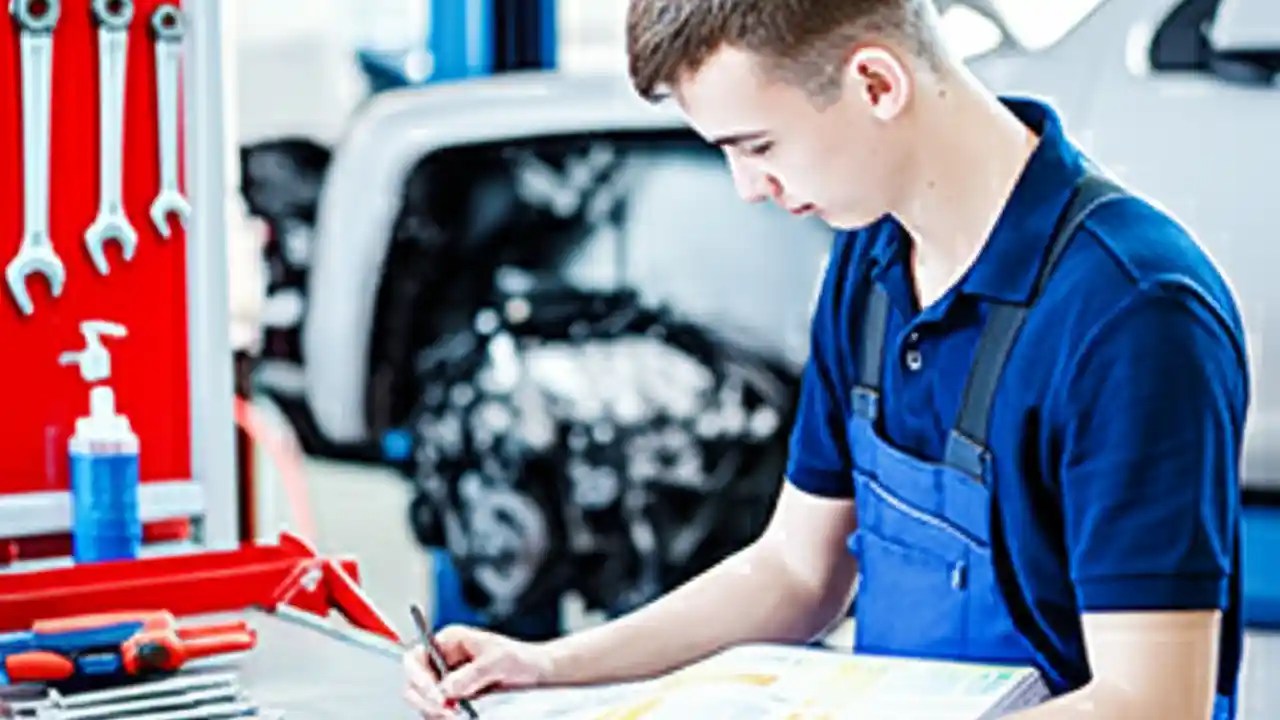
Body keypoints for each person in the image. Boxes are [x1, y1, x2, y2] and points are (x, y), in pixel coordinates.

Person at [403, 1, 1249, 718]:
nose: (746, 186)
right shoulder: (874, 258)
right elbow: (798, 570)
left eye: (758, 146)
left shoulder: (1133, 314)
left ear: (877, 83)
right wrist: (550, 667)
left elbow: (1151, 702)